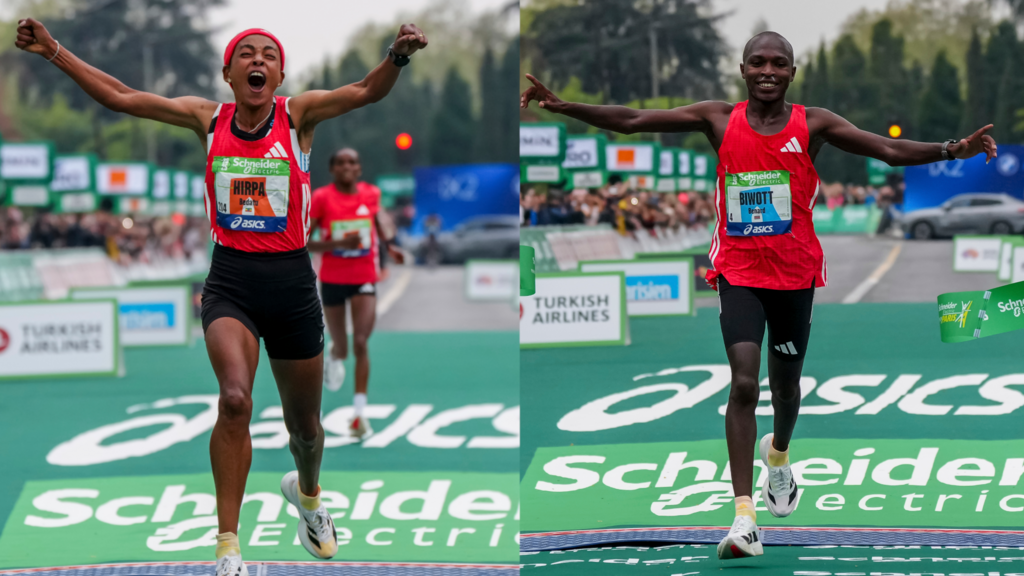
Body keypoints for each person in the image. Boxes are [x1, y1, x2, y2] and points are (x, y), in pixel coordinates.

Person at [522, 30, 996, 560]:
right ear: (743, 70)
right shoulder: (718, 118)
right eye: (758, 62)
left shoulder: (813, 123)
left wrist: (954, 149)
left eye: (779, 63)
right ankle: (744, 517)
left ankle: (780, 455)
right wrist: (563, 106)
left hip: (794, 273)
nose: (768, 70)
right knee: (744, 383)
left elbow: (885, 149)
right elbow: (633, 120)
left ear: (792, 72)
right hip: (739, 270)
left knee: (785, 389)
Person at [16, 17, 428, 574]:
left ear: (279, 74)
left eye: (268, 56)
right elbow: (121, 96)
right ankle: (228, 546)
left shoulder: (298, 115)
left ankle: (308, 497)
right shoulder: (206, 118)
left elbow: (364, 90)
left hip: (292, 285)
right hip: (230, 281)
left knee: (304, 429)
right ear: (229, 73)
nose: (258, 61)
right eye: (246, 54)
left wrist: (396, 58)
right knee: (234, 400)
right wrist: (53, 51)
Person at [308, 148, 403, 440]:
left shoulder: (371, 194)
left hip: (364, 277)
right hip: (333, 278)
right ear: (332, 169)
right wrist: (338, 243)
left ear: (359, 169)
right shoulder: (322, 198)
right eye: (341, 163)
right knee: (343, 346)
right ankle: (335, 357)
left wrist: (390, 245)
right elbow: (304, 242)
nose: (347, 167)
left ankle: (359, 414)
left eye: (352, 162)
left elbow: (380, 223)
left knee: (361, 342)